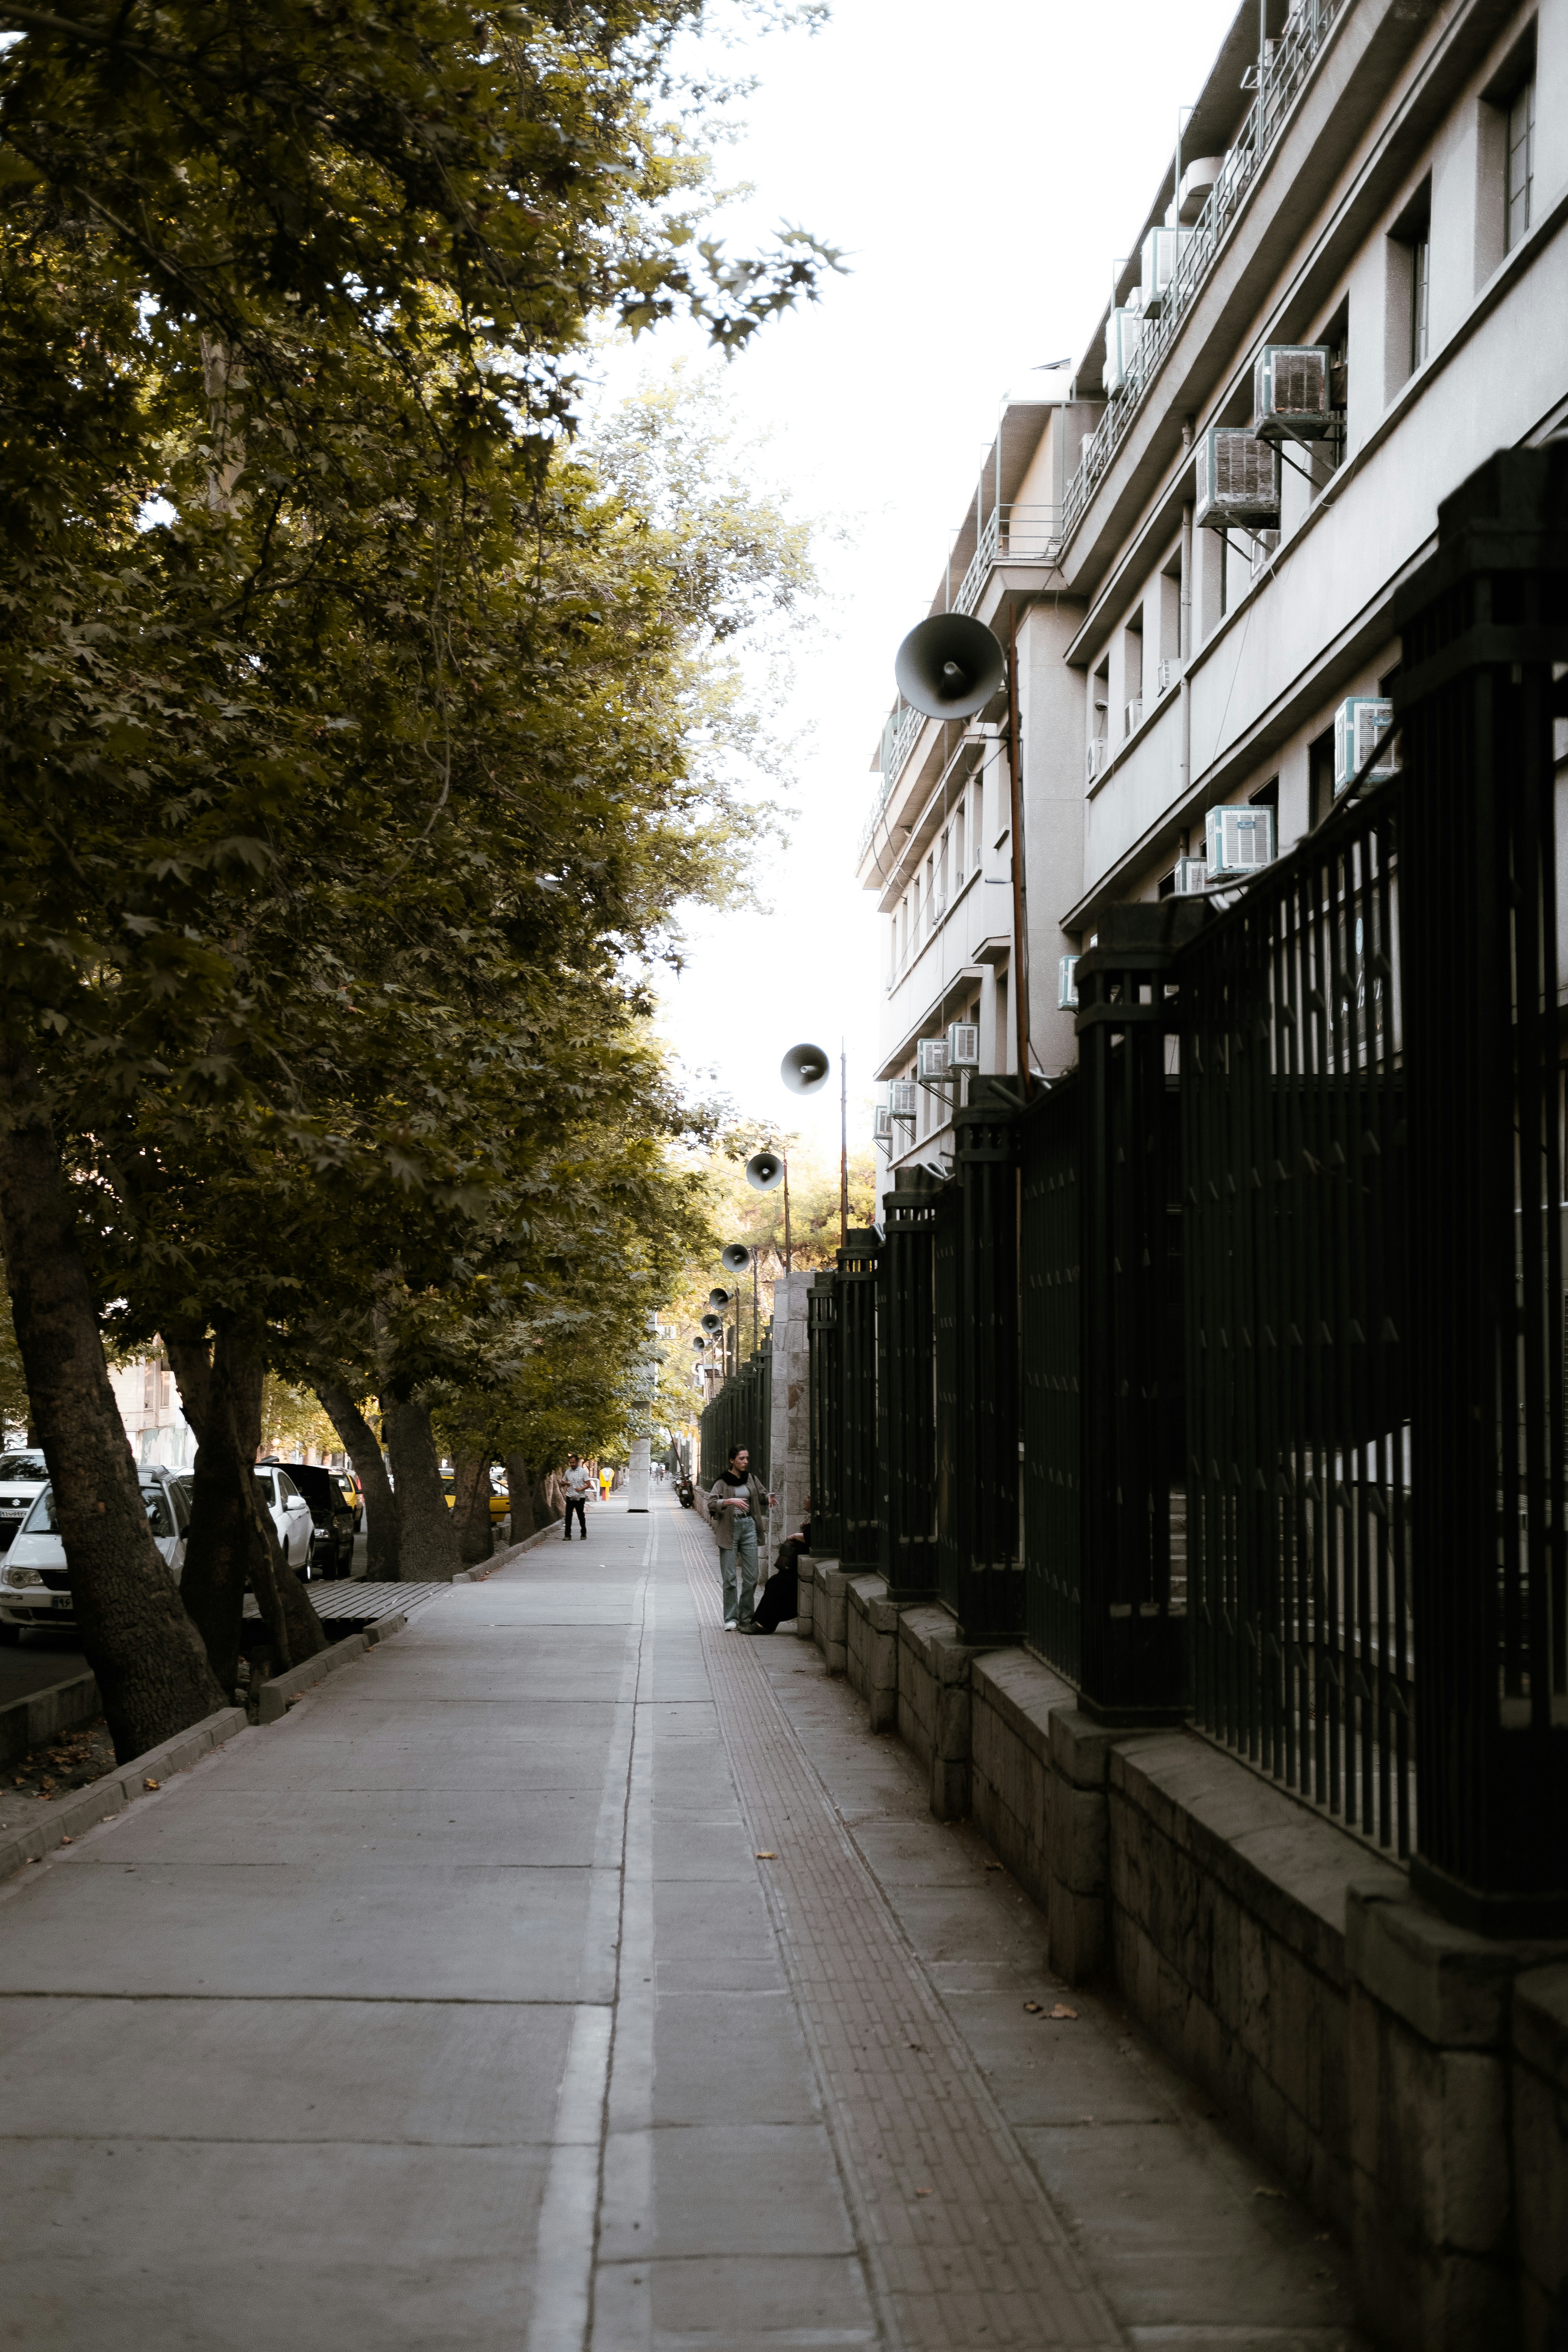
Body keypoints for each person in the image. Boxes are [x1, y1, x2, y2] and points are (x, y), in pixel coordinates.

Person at [707, 1443, 770, 1633]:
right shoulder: (722, 1481)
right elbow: (711, 1502)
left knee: (752, 1576)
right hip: (729, 1529)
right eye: (742, 1459)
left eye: (747, 1459)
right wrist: (729, 1501)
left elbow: (762, 1494)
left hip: (749, 1527)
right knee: (730, 1577)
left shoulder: (750, 1478)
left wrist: (769, 1497)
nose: (745, 1462)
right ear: (732, 1460)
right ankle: (731, 1618)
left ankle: (746, 1616)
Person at [753, 1499, 811, 1634]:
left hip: (802, 1568)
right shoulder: (811, 1518)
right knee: (773, 1583)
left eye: (808, 1497)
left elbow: (813, 1537)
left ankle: (765, 1624)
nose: (805, 1500)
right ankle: (759, 1621)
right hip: (796, 1566)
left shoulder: (819, 1520)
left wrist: (797, 1536)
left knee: (776, 1585)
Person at [561, 1454, 593, 1541]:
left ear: (577, 1462)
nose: (572, 1464)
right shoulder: (568, 1472)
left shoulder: (583, 1472)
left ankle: (583, 1533)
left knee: (580, 1515)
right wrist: (566, 1484)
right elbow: (562, 1483)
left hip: (580, 1497)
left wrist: (581, 1489)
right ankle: (567, 1535)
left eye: (574, 1463)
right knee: (568, 1516)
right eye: (571, 1463)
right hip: (570, 1496)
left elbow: (588, 1485)